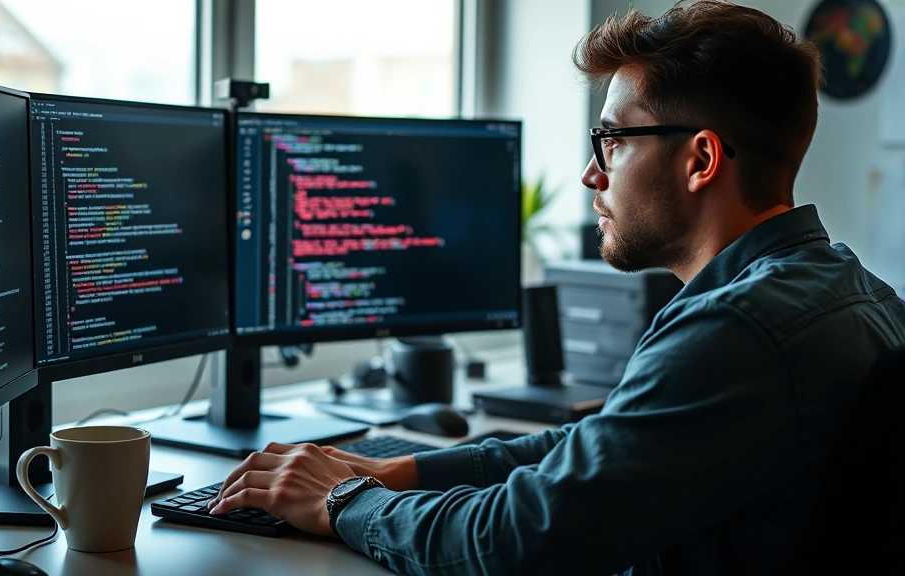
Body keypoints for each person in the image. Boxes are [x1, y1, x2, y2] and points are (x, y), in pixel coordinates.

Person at [207, 2, 905, 574]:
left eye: (612, 140)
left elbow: (511, 542)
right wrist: (405, 471)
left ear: (700, 159)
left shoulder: (738, 333)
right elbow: (606, 447)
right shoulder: (851, 289)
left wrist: (344, 499)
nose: (589, 175)